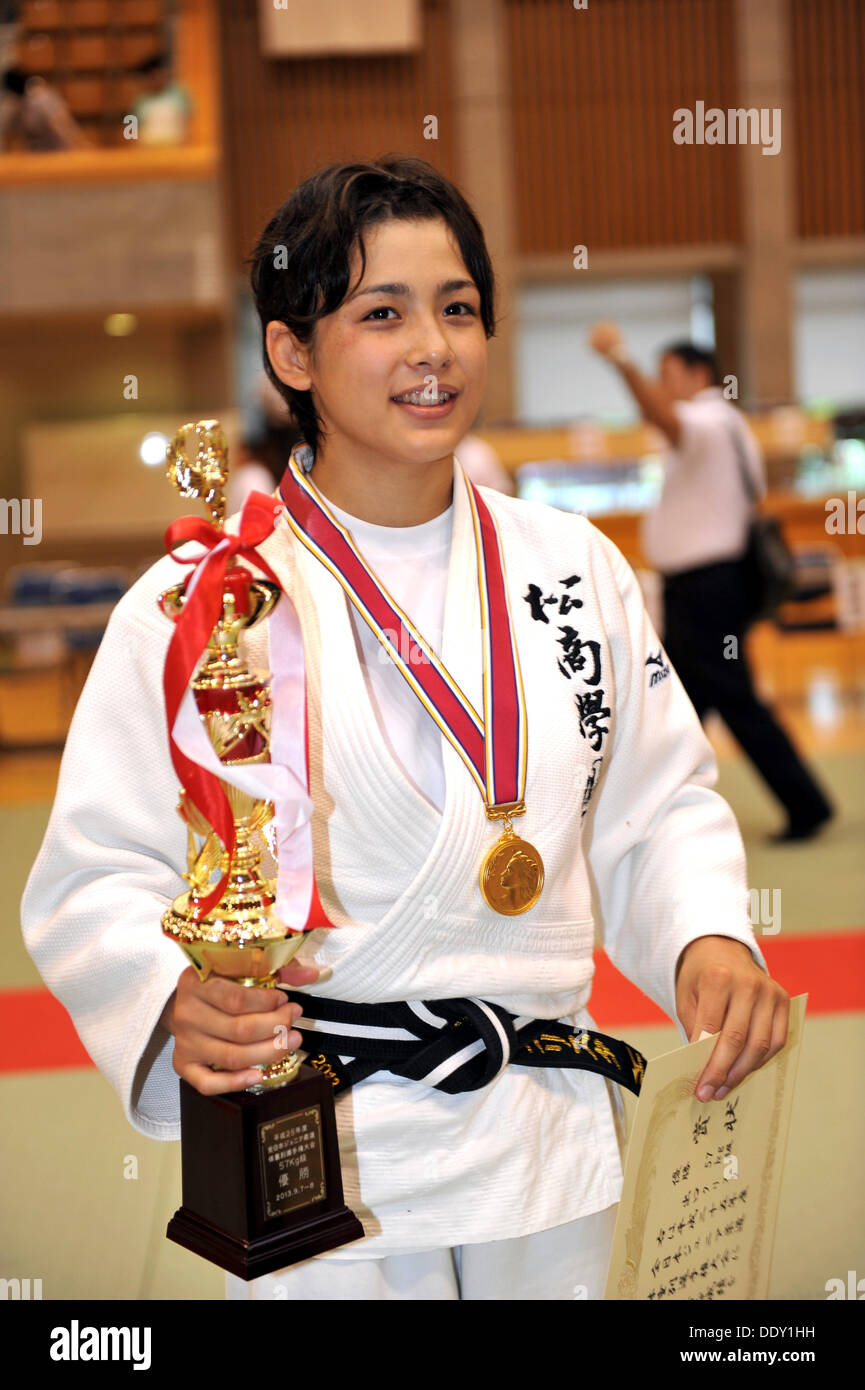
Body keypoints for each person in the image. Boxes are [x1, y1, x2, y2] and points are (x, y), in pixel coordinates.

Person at [22, 158, 789, 1301]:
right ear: (293, 352)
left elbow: (656, 800)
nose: (433, 345)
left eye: (459, 308)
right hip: (317, 1142)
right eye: (382, 312)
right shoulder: (203, 597)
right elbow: (93, 869)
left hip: (545, 1132)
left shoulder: (570, 567)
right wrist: (166, 997)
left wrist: (702, 936)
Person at [589, 327, 834, 844]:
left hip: (707, 589)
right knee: (683, 698)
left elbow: (663, 417)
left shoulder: (706, 417)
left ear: (698, 375)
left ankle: (805, 804)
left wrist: (620, 358)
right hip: (711, 587)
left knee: (728, 697)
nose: (660, 385)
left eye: (667, 374)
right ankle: (658, 807)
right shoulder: (729, 424)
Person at [1, 66, 90, 151]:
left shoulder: (42, 98)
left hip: (58, 151)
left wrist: (79, 144)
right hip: (35, 154)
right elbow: (11, 132)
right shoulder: (17, 104)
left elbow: (61, 124)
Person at [131, 51, 191, 148]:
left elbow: (188, 123)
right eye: (152, 77)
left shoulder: (179, 95)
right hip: (148, 150)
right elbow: (131, 131)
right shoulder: (139, 101)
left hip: (175, 148)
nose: (156, 79)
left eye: (158, 75)